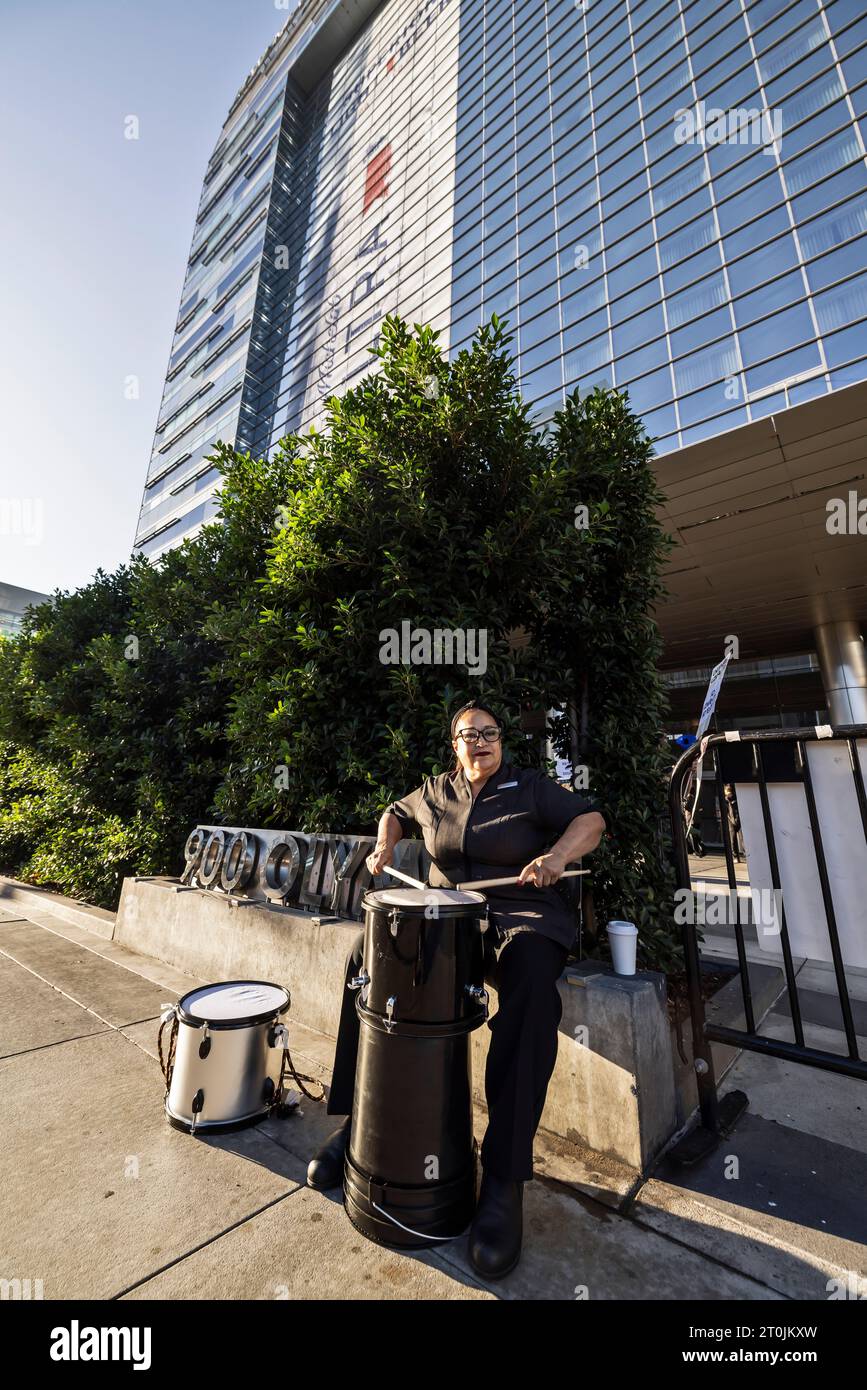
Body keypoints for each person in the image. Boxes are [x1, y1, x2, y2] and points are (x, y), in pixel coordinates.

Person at [306, 699, 606, 1279]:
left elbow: (591, 820)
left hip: (521, 920)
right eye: (470, 734)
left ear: (502, 742)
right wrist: (386, 844)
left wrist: (556, 855)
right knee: (361, 959)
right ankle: (357, 1126)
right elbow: (393, 810)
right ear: (455, 745)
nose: (482, 742)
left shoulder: (531, 787)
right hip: (448, 922)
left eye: (491, 733)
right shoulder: (434, 790)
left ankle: (503, 1175)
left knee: (532, 998)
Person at [724, 783, 745, 862]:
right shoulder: (726, 801)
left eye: (729, 792)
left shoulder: (736, 799)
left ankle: (745, 854)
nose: (728, 795)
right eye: (727, 793)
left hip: (738, 820)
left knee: (742, 839)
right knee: (733, 840)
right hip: (731, 821)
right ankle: (735, 856)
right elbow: (726, 811)